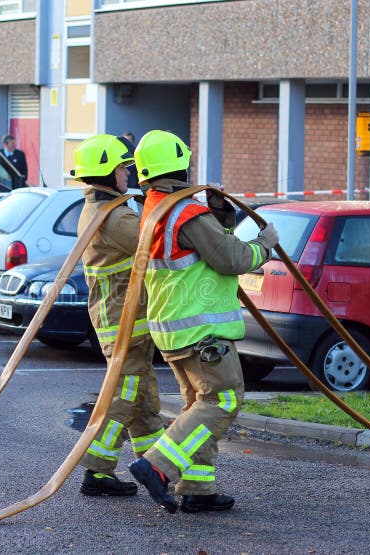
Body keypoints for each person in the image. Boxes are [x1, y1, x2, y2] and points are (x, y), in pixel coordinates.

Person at [127, 130, 279, 514]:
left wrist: (221, 216)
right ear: (181, 163)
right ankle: (157, 467)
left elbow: (206, 248)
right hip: (201, 332)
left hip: (173, 330)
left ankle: (197, 488)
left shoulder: (158, 207)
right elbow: (232, 258)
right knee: (223, 399)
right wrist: (266, 245)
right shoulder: (188, 212)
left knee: (198, 402)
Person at [71, 134, 165, 497]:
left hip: (123, 322)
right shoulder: (114, 216)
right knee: (125, 396)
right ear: (109, 173)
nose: (129, 173)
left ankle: (155, 467)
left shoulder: (100, 209)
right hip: (126, 325)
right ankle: (97, 470)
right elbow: (155, 239)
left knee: (144, 401)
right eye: (124, 168)